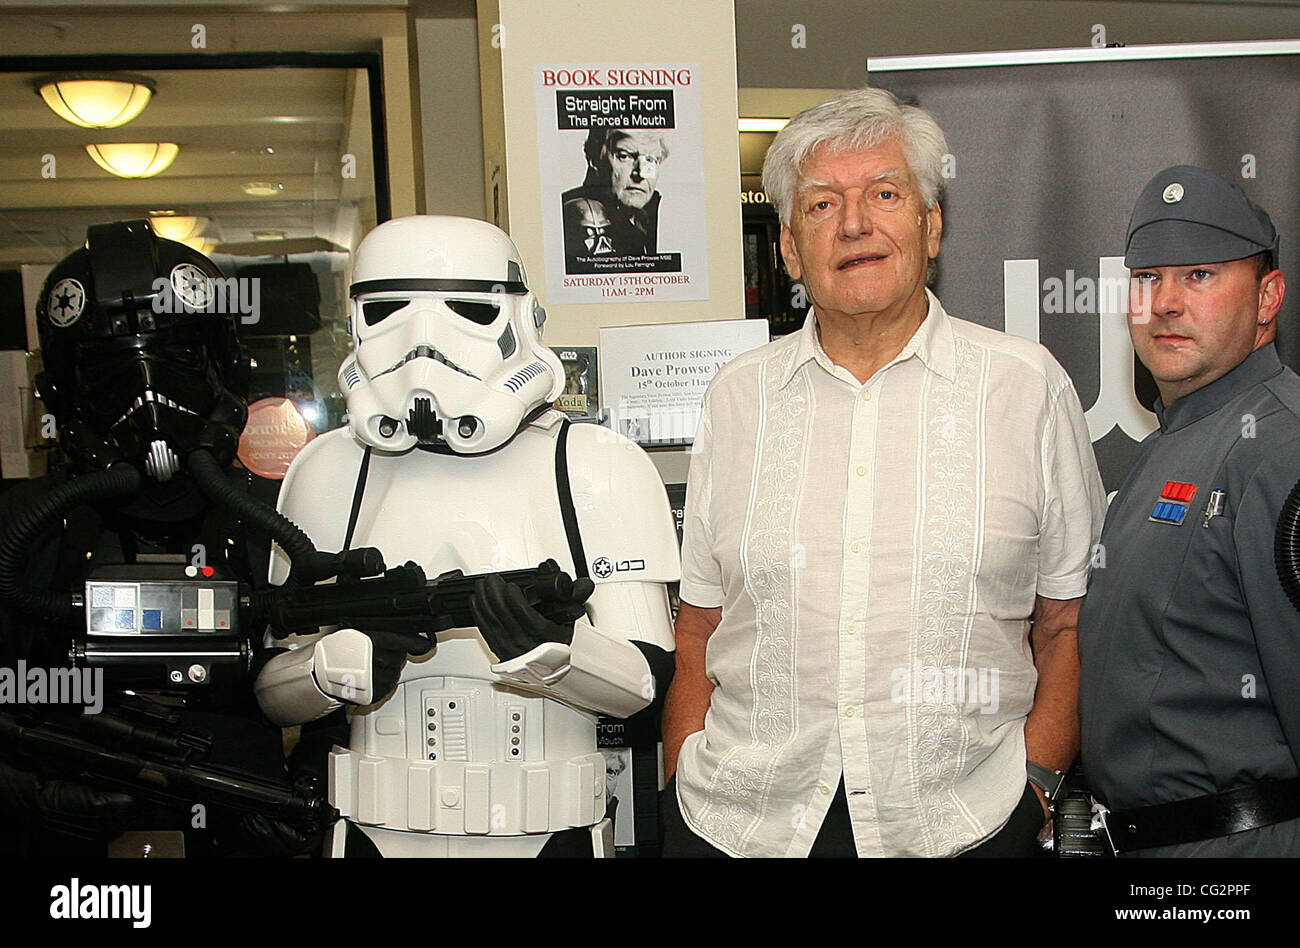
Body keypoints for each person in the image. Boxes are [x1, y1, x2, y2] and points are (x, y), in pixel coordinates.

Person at [661, 87, 1107, 858]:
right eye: (822, 205)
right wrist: (675, 787)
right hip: (741, 824)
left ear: (931, 228)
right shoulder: (736, 399)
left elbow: (1067, 623)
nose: (856, 223)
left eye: (886, 194)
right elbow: (698, 627)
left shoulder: (1027, 388)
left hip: (962, 825)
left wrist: (1035, 782)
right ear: (791, 249)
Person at [253, 215, 678, 857]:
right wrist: (323, 672)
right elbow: (269, 686)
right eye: (390, 311)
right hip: (370, 830)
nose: (424, 343)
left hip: (546, 831)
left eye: (467, 311)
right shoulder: (329, 471)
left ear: (521, 318)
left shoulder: (596, 466)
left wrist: (558, 652)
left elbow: (645, 686)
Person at [0, 219, 327, 857]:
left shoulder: (279, 519)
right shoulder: (26, 525)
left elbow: (336, 682)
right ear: (66, 393)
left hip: (239, 822)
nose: (148, 397)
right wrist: (18, 789)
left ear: (223, 371)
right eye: (112, 373)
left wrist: (307, 776)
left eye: (175, 361)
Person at [1079, 165, 1298, 856]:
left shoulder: (1280, 451)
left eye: (1200, 275)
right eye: (1147, 279)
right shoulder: (1177, 439)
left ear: (1268, 297)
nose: (1165, 303)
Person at [562, 129, 668, 258]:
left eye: (650, 159)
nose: (641, 173)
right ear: (594, 159)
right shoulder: (568, 216)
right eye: (624, 156)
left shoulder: (659, 214)